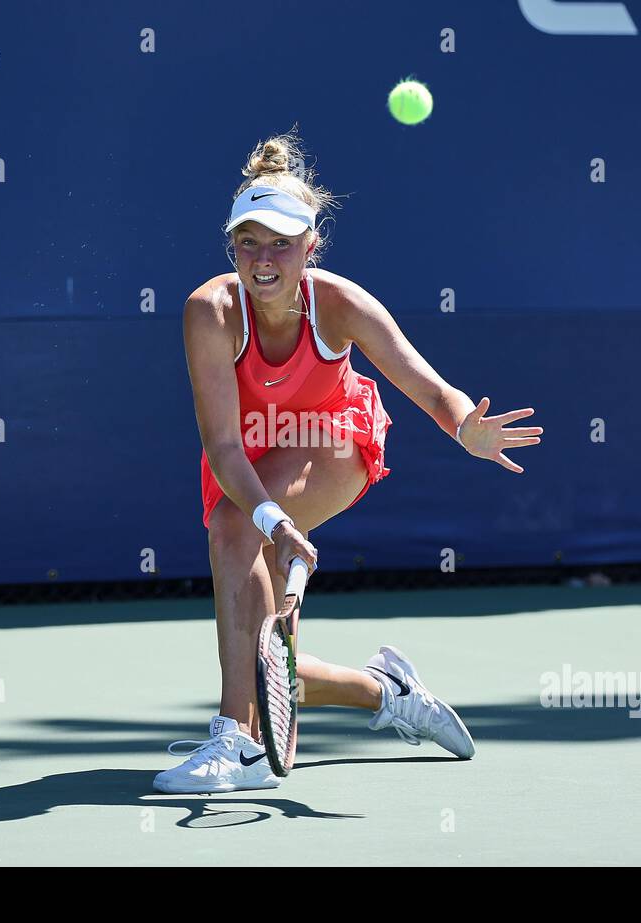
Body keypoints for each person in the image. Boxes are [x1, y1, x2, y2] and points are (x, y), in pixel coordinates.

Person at [154, 132, 542, 794]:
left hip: (334, 438)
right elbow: (222, 446)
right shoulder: (209, 311)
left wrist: (463, 428)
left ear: (311, 246)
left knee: (231, 532)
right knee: (268, 664)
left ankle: (233, 740)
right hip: (245, 455)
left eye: (280, 242)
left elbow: (425, 384)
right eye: (248, 242)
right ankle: (385, 691)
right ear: (232, 248)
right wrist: (275, 521)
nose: (263, 258)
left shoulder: (340, 304)